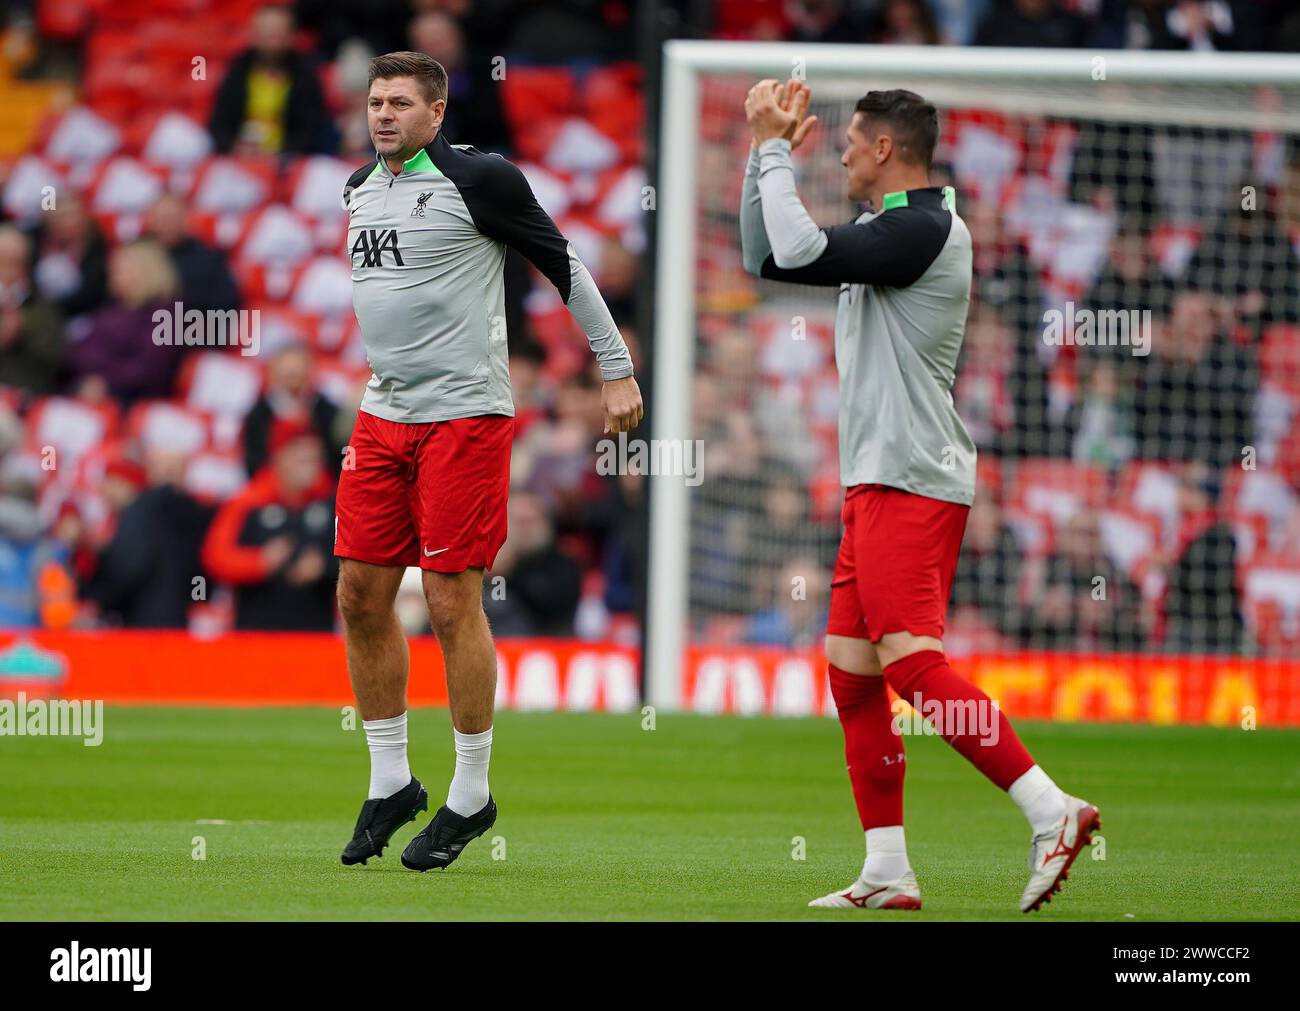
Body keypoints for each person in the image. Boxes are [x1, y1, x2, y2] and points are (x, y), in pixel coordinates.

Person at [740, 80, 1099, 913]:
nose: (839, 154)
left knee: (910, 661)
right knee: (853, 673)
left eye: (848, 143)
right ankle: (888, 870)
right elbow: (766, 254)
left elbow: (793, 252)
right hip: (876, 477)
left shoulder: (925, 228)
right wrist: (769, 160)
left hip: (914, 475)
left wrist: (768, 149)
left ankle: (1052, 810)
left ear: (884, 150)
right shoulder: (886, 231)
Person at [335, 51, 642, 872]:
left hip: (465, 416)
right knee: (360, 592)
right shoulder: (358, 189)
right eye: (375, 102)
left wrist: (614, 366)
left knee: (447, 598)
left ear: (437, 113)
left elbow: (563, 264)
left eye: (401, 102)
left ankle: (470, 795)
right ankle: (392, 780)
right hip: (382, 412)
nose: (384, 114)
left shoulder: (483, 179)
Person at [202, 420, 338, 631]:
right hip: (258, 631)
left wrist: (324, 565)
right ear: (280, 459)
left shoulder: (331, 502)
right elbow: (215, 557)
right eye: (304, 460)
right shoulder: (248, 502)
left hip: (315, 631)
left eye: (316, 460)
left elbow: (358, 558)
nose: (313, 469)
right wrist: (260, 562)